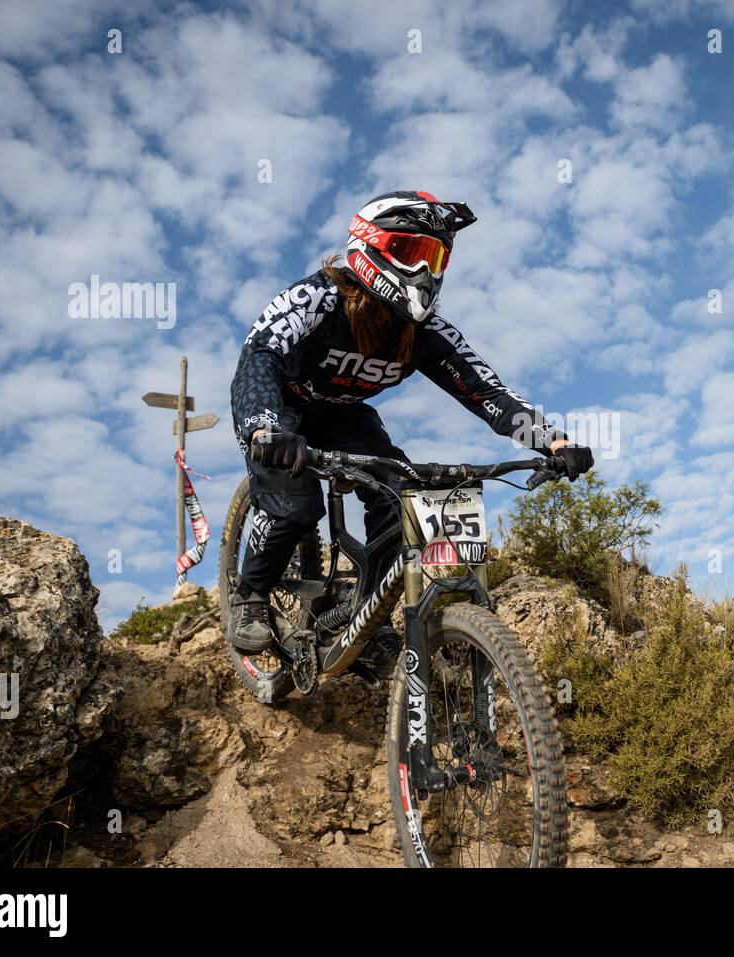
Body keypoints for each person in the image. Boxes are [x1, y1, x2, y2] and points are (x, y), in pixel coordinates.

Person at [228, 190, 593, 679]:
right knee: (295, 504)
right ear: (371, 247)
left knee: (400, 497)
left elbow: (484, 390)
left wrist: (552, 441)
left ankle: (366, 616)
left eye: (435, 257)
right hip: (280, 406)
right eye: (410, 253)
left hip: (341, 413)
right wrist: (263, 427)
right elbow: (262, 355)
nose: (423, 270)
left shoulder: (427, 331)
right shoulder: (318, 296)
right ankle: (249, 594)